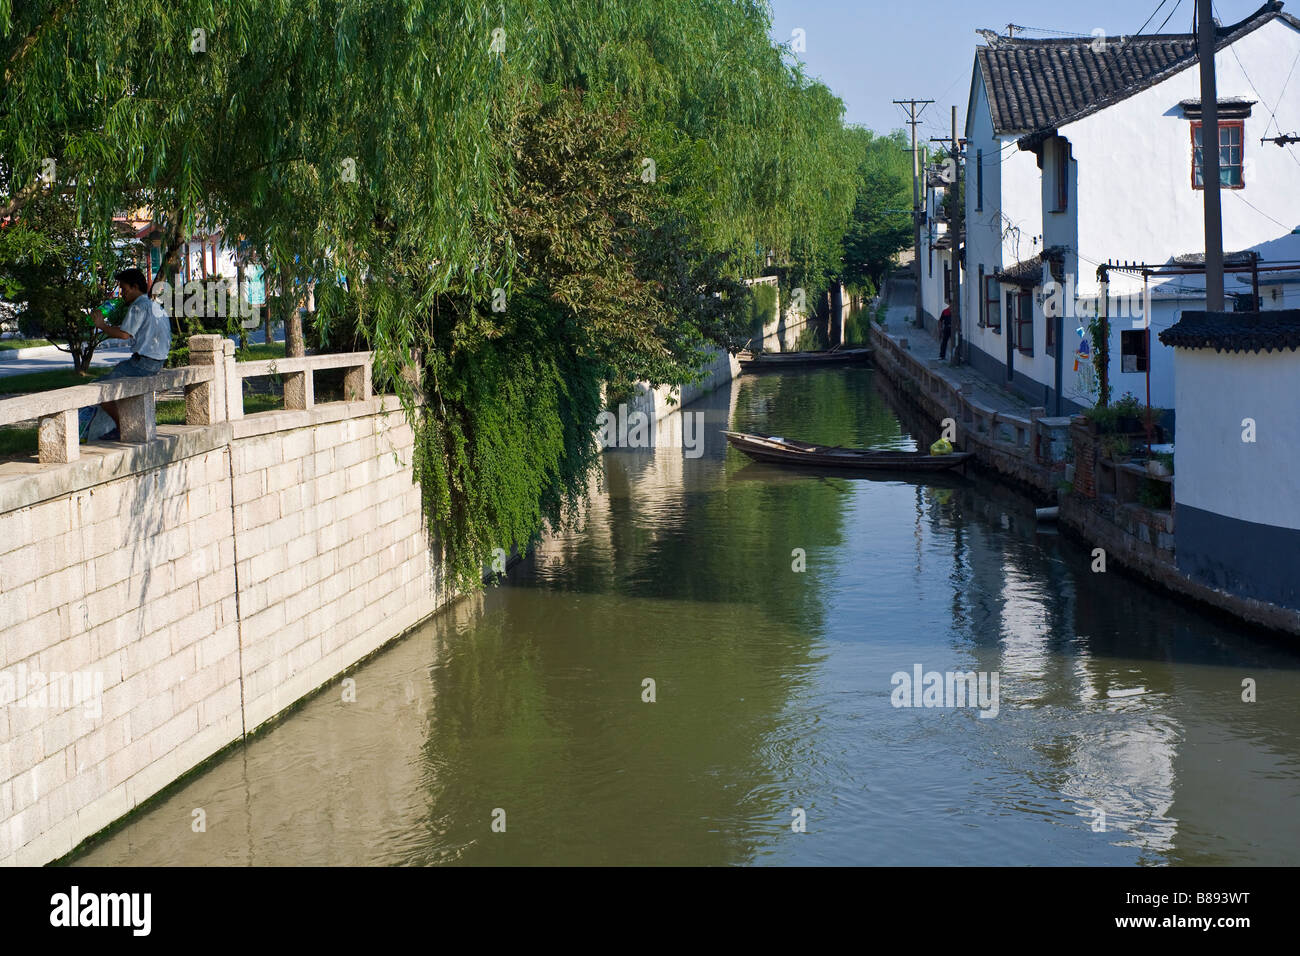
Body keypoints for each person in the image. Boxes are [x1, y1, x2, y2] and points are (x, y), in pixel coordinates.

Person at [79, 268, 172, 441]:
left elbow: (124, 334)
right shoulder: (154, 305)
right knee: (116, 373)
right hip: (157, 362)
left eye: (123, 288)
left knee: (98, 388)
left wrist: (101, 325)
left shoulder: (138, 306)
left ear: (135, 286)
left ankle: (122, 428)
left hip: (144, 364)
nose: (122, 294)